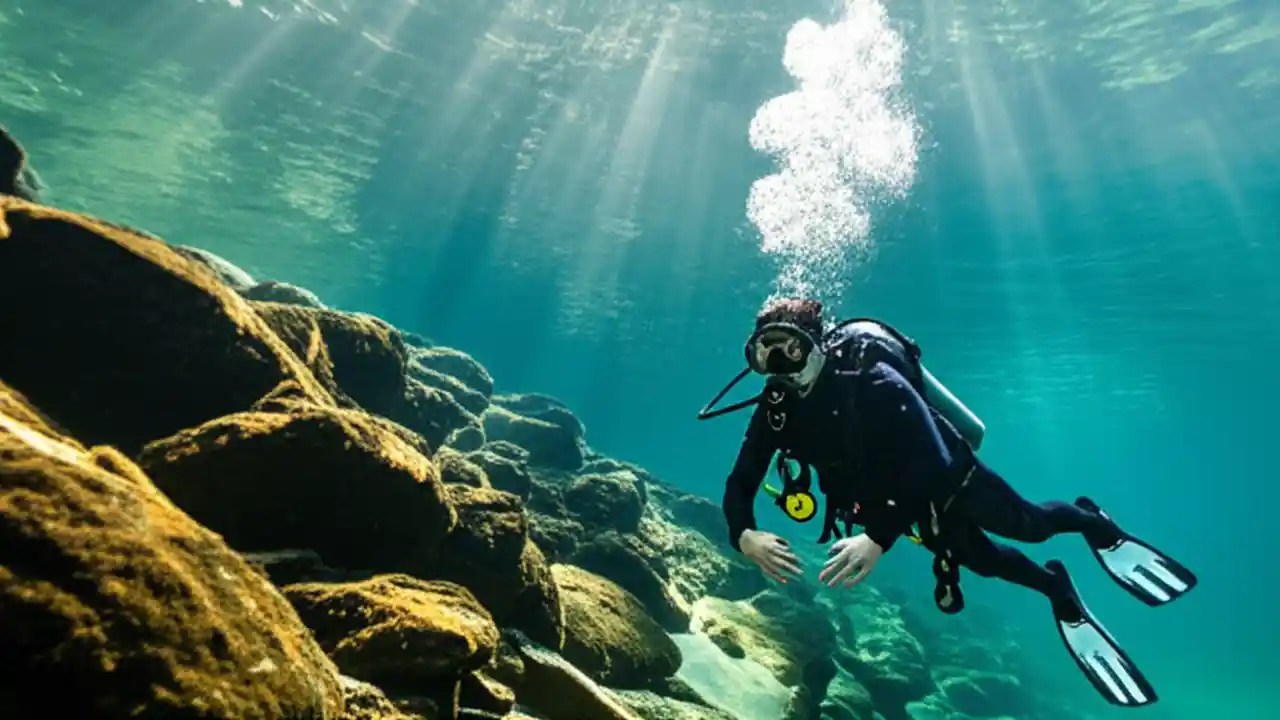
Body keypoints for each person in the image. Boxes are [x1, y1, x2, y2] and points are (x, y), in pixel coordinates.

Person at [697, 297, 1198, 708]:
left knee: (1030, 525)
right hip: (890, 507)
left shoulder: (872, 380)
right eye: (765, 356)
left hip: (948, 480)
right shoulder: (776, 409)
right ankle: (1057, 590)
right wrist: (743, 533)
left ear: (818, 345)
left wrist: (877, 539)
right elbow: (741, 479)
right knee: (984, 563)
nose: (779, 369)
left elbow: (933, 461)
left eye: (790, 351)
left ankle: (1093, 522)